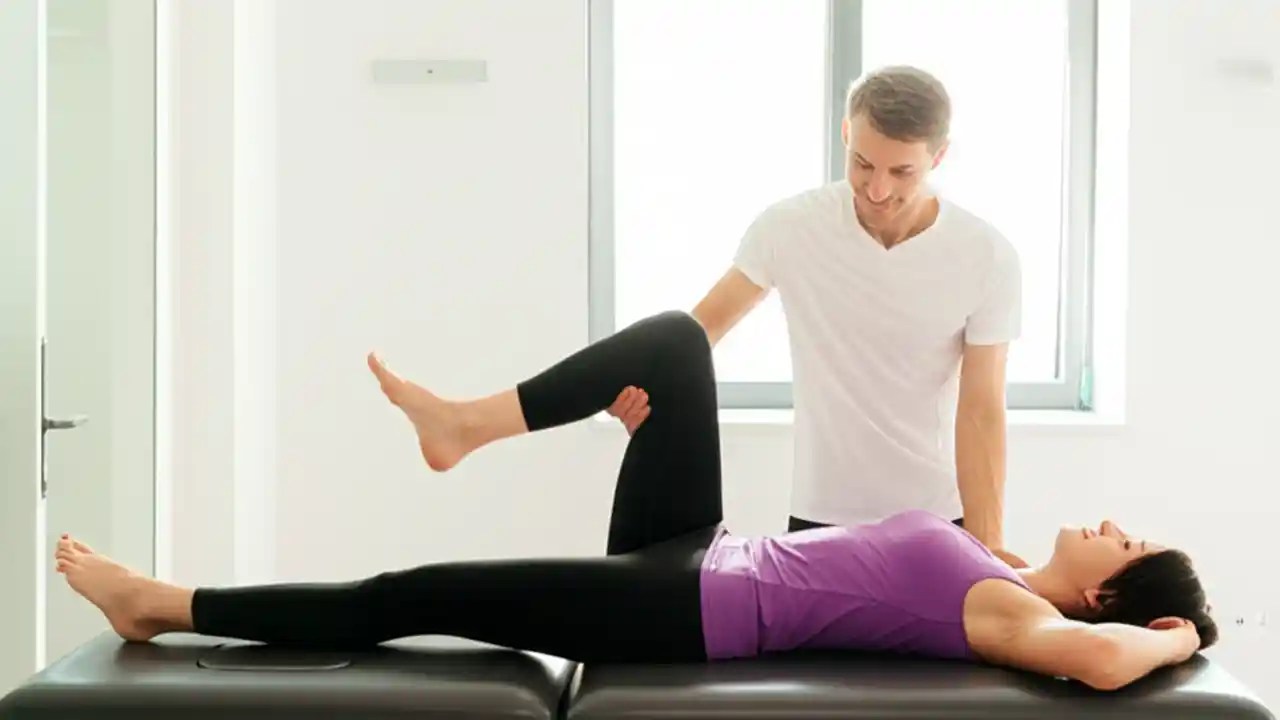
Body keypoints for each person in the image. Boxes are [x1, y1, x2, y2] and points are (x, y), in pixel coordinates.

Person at [58, 310, 1215, 692]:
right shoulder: (995, 563)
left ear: (1111, 594)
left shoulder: (1018, 617)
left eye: (1126, 543)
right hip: (700, 551)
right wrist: (645, 449)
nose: (1110, 523)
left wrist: (1177, 637)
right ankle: (466, 424)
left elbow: (1100, 664)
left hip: (684, 612)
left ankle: (163, 604)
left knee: (411, 594)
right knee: (671, 348)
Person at [606, 66, 1026, 565]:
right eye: (863, 163)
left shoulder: (986, 256)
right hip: (820, 520)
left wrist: (989, 550)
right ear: (846, 133)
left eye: (901, 172)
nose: (877, 189)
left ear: (938, 157)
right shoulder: (789, 228)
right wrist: (641, 389)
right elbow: (696, 334)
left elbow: (981, 410)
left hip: (937, 521)